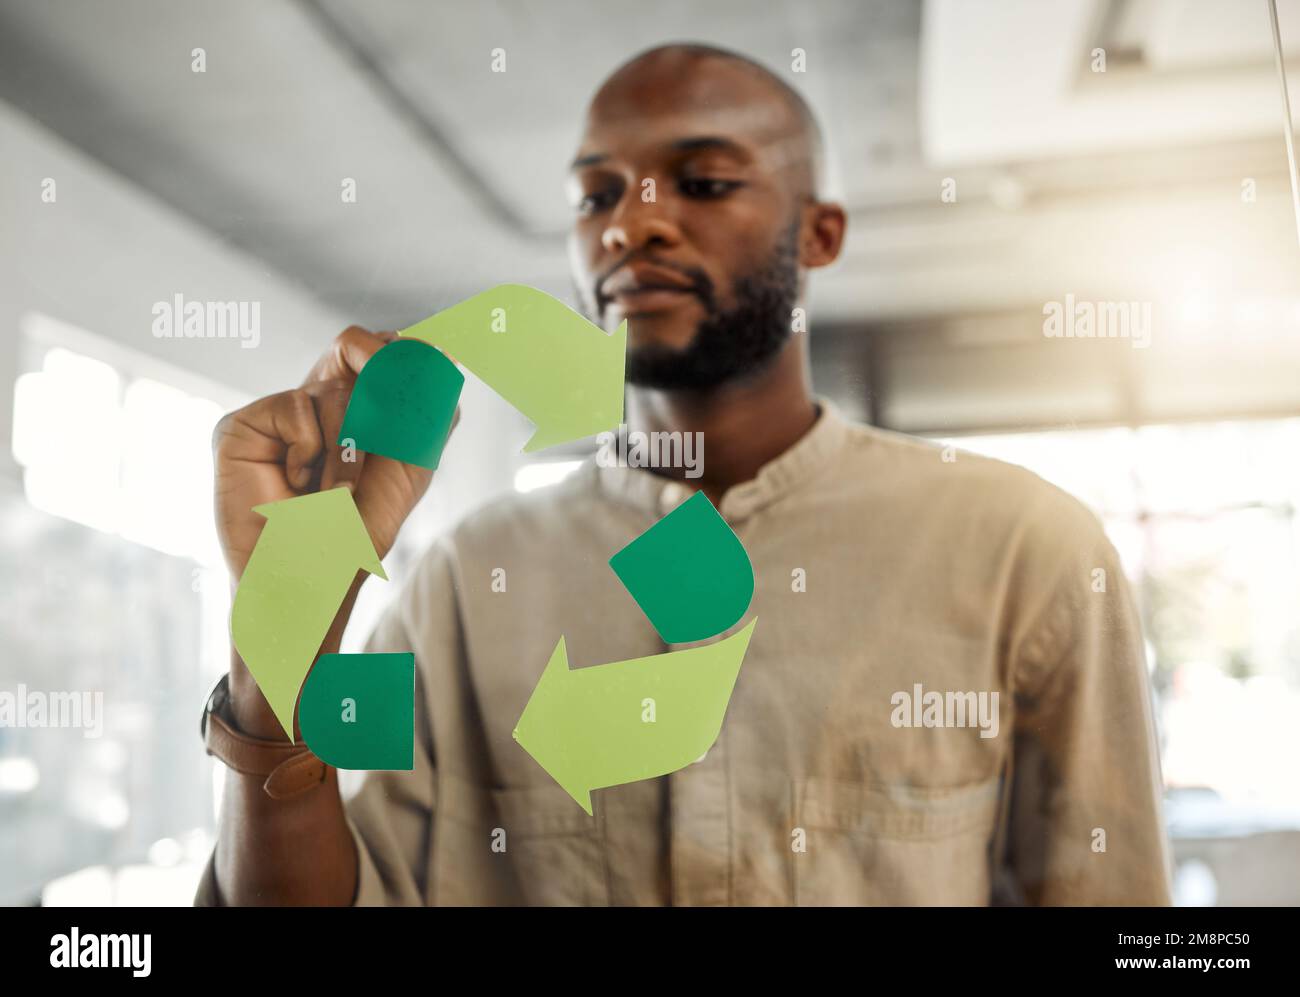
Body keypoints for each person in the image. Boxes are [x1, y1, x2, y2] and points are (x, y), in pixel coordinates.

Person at [196, 43, 1171, 906]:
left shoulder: (1020, 551)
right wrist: (281, 624)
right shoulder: (463, 582)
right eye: (596, 195)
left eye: (701, 183)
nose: (630, 226)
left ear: (819, 234)